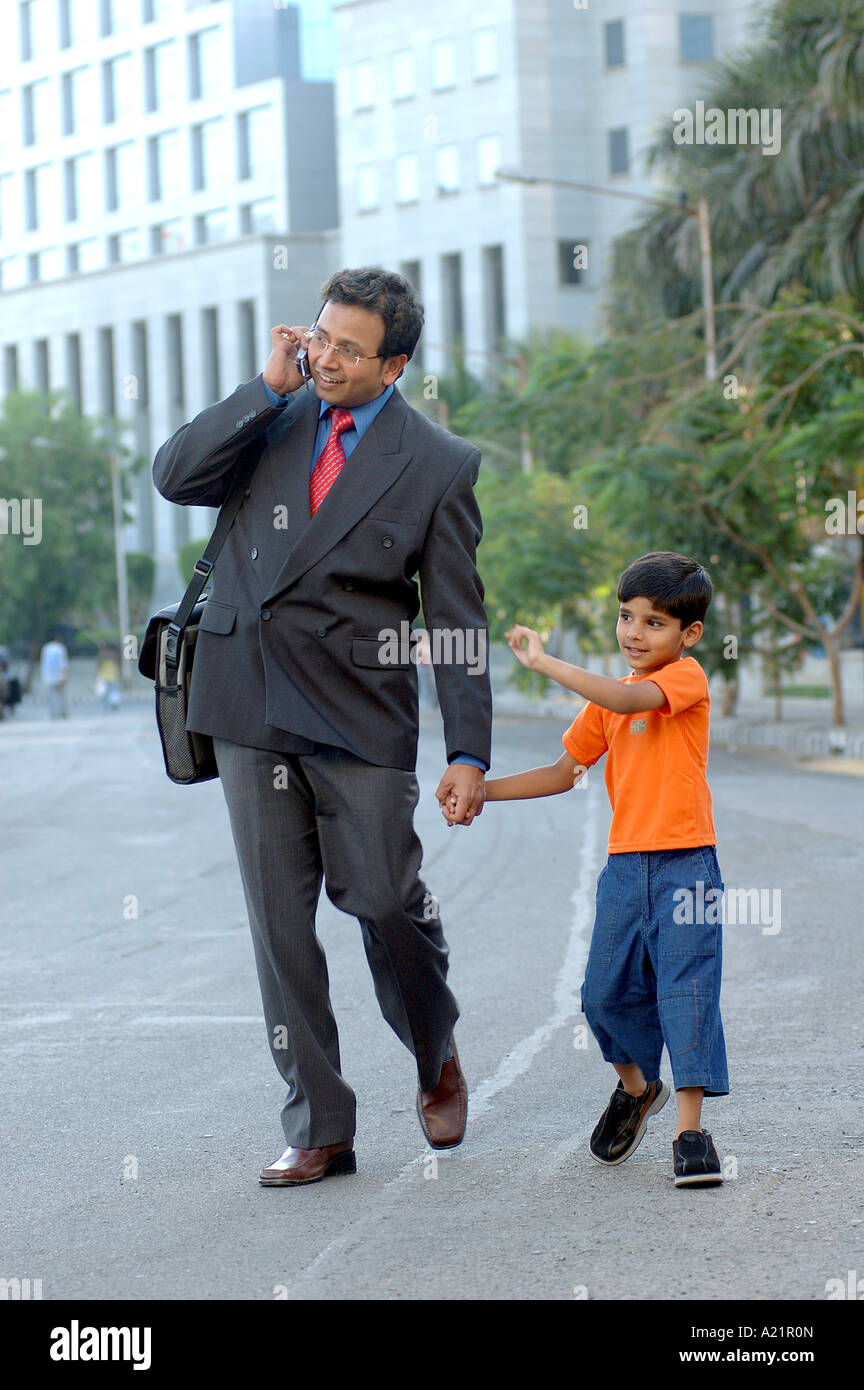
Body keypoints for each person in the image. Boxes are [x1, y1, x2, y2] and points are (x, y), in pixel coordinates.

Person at [153, 268, 491, 1186]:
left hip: (359, 711)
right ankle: (320, 1124)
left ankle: (434, 1045)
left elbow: (456, 620)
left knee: (383, 897)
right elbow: (175, 476)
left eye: (349, 348)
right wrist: (268, 384)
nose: (326, 358)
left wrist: (467, 750)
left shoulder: (439, 464)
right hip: (247, 700)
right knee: (279, 926)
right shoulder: (273, 414)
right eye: (321, 336)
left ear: (395, 367)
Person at [454, 552, 727, 1188]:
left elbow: (629, 695)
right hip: (627, 871)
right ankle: (637, 1089)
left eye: (654, 623)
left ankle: (691, 1134)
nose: (634, 633)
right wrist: (481, 791)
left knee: (687, 991)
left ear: (688, 635)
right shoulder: (608, 706)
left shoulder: (685, 679)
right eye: (626, 617)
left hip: (689, 864)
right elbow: (562, 772)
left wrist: (545, 663)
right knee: (601, 996)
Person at [40, 633, 69, 720]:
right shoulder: (60, 648)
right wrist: (65, 675)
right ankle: (63, 713)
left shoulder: (45, 648)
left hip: (48, 675)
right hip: (59, 675)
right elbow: (62, 663)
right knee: (61, 695)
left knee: (51, 696)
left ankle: (53, 714)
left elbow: (43, 663)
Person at [95, 646, 121, 711]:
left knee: (109, 693)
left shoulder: (102, 657)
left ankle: (110, 705)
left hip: (109, 677)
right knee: (110, 692)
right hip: (109, 677)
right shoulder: (113, 656)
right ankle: (111, 705)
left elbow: (98, 666)